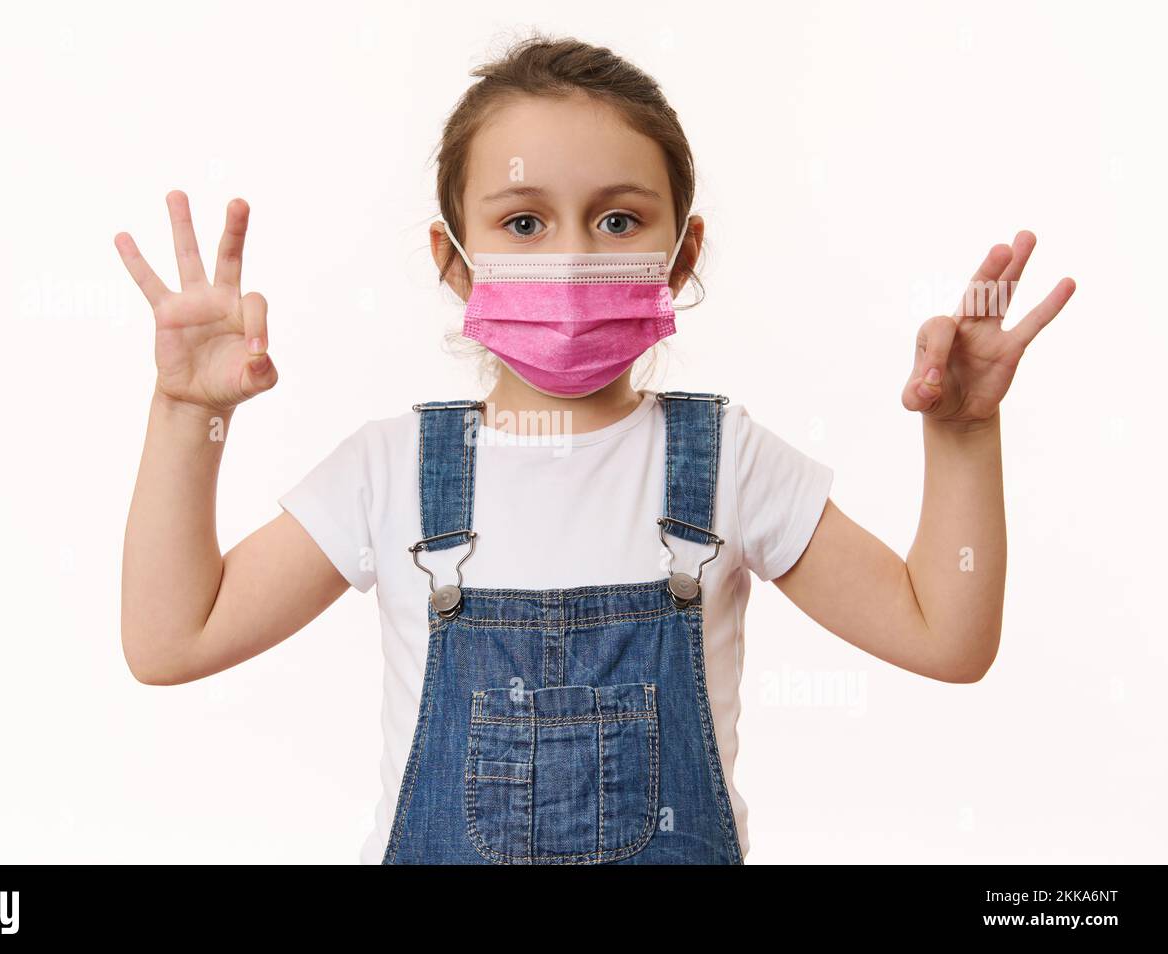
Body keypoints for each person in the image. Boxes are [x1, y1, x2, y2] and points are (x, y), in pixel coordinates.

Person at [114, 34, 1076, 864]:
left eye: (618, 219)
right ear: (455, 259)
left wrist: (962, 434)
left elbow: (946, 639)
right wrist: (183, 413)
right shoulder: (389, 473)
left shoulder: (729, 462)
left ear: (681, 253)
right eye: (523, 223)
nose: (570, 259)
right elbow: (171, 640)